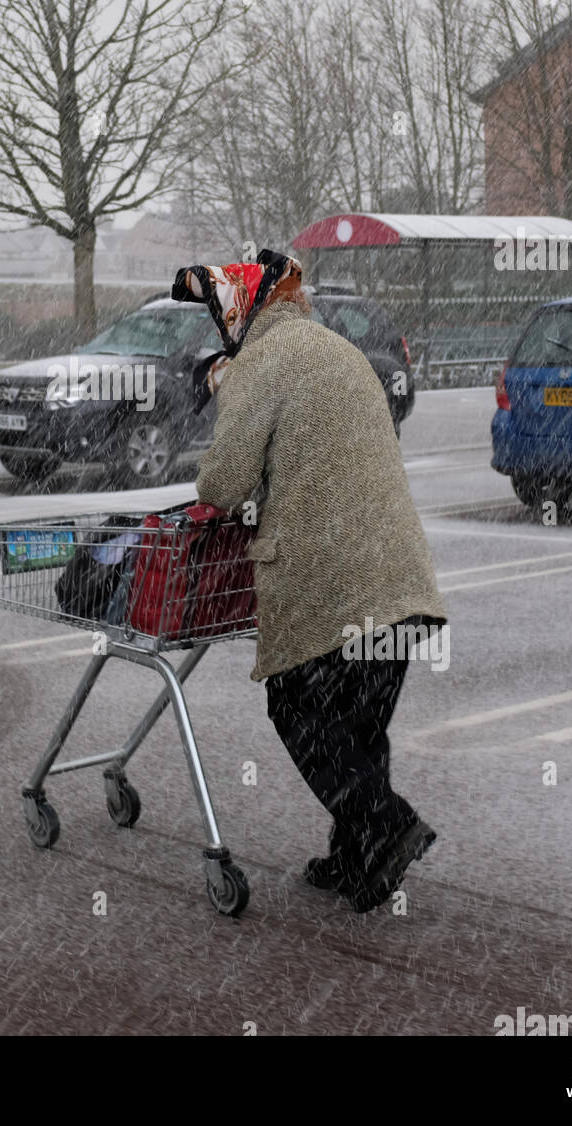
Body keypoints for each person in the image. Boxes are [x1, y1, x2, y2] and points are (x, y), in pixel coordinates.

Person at [172, 248, 447, 913]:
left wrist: (226, 416)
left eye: (217, 314)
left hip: (333, 582)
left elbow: (223, 482)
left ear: (240, 312)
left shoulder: (260, 364)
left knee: (296, 709)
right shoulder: (338, 349)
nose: (217, 330)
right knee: (357, 722)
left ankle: (387, 826)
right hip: (401, 579)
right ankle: (357, 859)